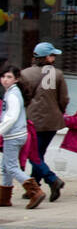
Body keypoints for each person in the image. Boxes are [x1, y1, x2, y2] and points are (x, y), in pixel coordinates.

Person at [19, 41, 68, 201]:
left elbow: (22, 99)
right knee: (38, 153)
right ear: (45, 57)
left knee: (34, 156)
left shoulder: (24, 74)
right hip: (53, 121)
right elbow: (64, 99)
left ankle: (52, 180)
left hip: (33, 121)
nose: (54, 58)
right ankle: (35, 187)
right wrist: (59, 111)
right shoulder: (58, 74)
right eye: (52, 55)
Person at [0, 65, 44, 209]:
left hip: (13, 135)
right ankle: (4, 198)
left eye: (9, 77)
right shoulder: (13, 92)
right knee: (6, 166)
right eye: (3, 76)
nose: (5, 80)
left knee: (11, 167)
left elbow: (11, 117)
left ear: (16, 79)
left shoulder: (12, 94)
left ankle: (35, 191)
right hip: (16, 134)